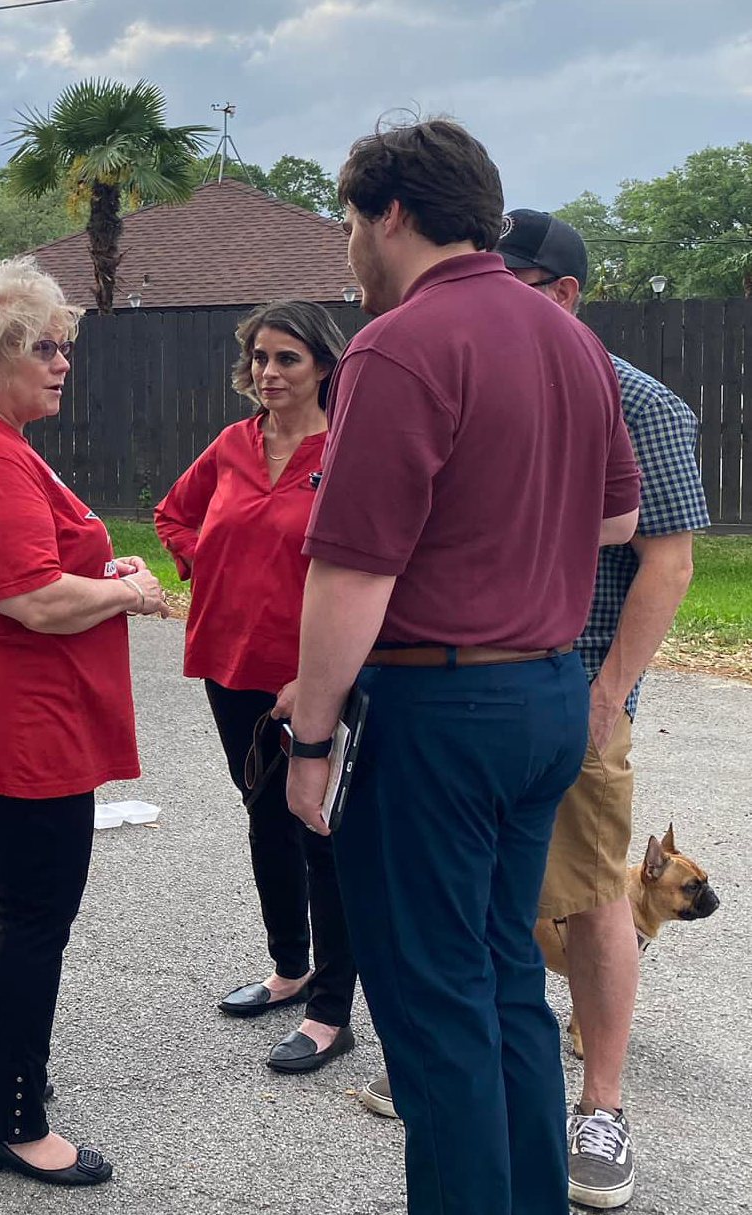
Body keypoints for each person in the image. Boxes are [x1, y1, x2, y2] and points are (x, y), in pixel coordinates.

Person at [283, 120, 640, 1215]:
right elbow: (620, 513)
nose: (346, 243)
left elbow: (351, 571)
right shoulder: (565, 336)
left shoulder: (399, 343)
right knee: (501, 985)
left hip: (440, 704)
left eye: (346, 218)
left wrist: (308, 740)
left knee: (434, 1006)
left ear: (389, 212)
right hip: (542, 691)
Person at [0, 257, 168, 1187]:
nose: (62, 362)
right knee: (34, 910)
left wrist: (101, 579)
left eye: (64, 345)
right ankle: (12, 1120)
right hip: (17, 711)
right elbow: (36, 600)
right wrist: (128, 591)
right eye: (42, 348)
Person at [493, 210, 710, 1208]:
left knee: (586, 897)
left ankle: (602, 1110)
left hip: (577, 691)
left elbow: (666, 564)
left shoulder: (638, 403)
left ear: (564, 295)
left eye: (511, 288)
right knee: (478, 895)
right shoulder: (484, 389)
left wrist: (607, 694)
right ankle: (482, 1077)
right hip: (469, 690)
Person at [154, 301, 359, 1073]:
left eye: (287, 360)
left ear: (325, 366)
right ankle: (290, 966)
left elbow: (372, 564)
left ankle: (334, 1011)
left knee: (321, 831)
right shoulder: (233, 445)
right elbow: (173, 515)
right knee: (263, 816)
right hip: (228, 664)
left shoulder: (345, 451)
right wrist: (210, 563)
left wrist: (315, 676)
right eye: (261, 359)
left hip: (312, 671)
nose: (269, 374)